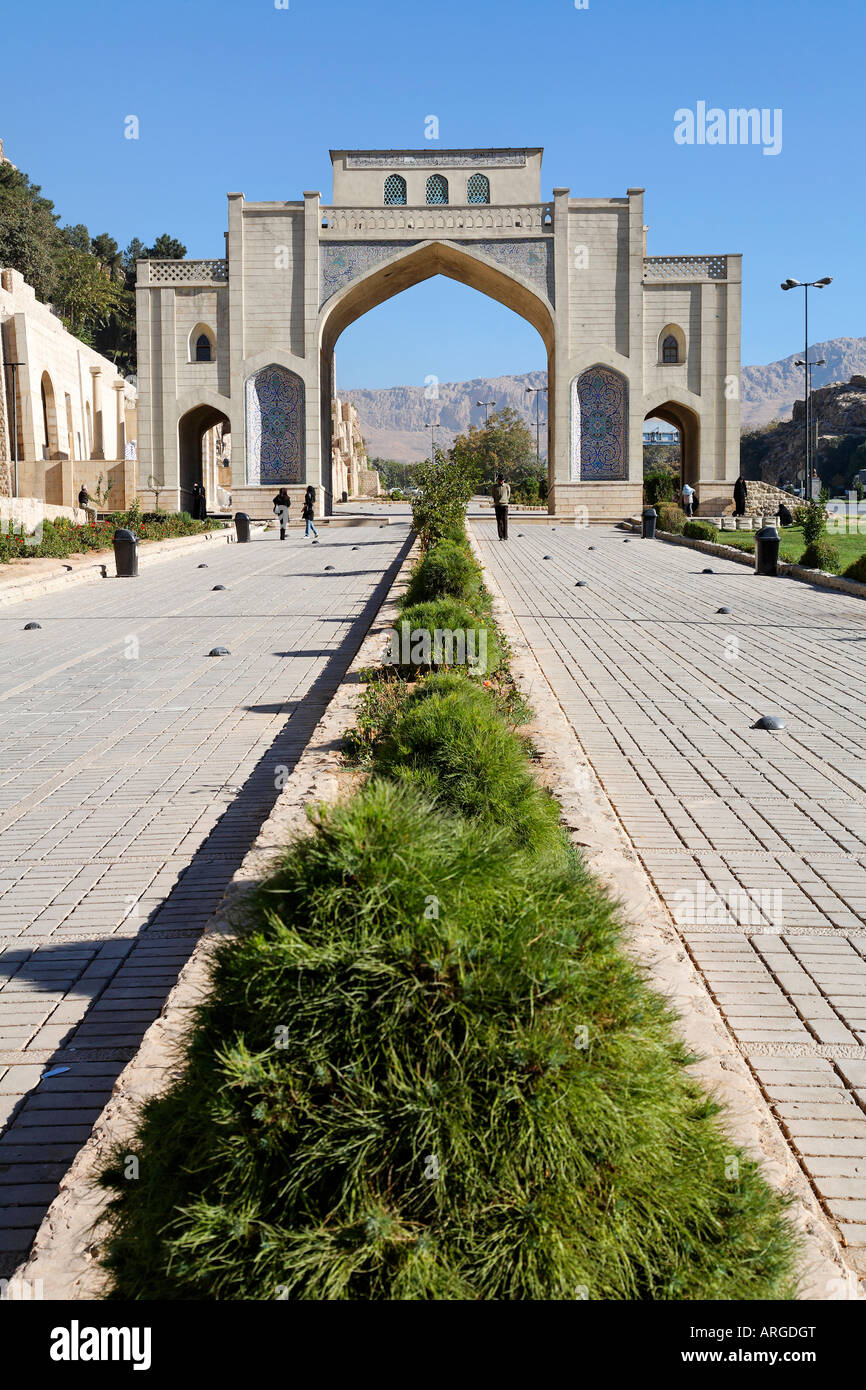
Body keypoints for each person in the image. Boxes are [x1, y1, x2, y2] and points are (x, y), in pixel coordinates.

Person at [491, 473, 511, 540]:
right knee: (499, 521)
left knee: (505, 520)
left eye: (502, 480)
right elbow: (493, 494)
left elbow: (508, 495)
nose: (500, 481)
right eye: (499, 480)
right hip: (497, 505)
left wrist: (506, 500)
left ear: (504, 480)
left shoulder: (507, 486)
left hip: (505, 505)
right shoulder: (494, 487)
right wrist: (496, 501)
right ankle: (500, 536)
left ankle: (505, 536)